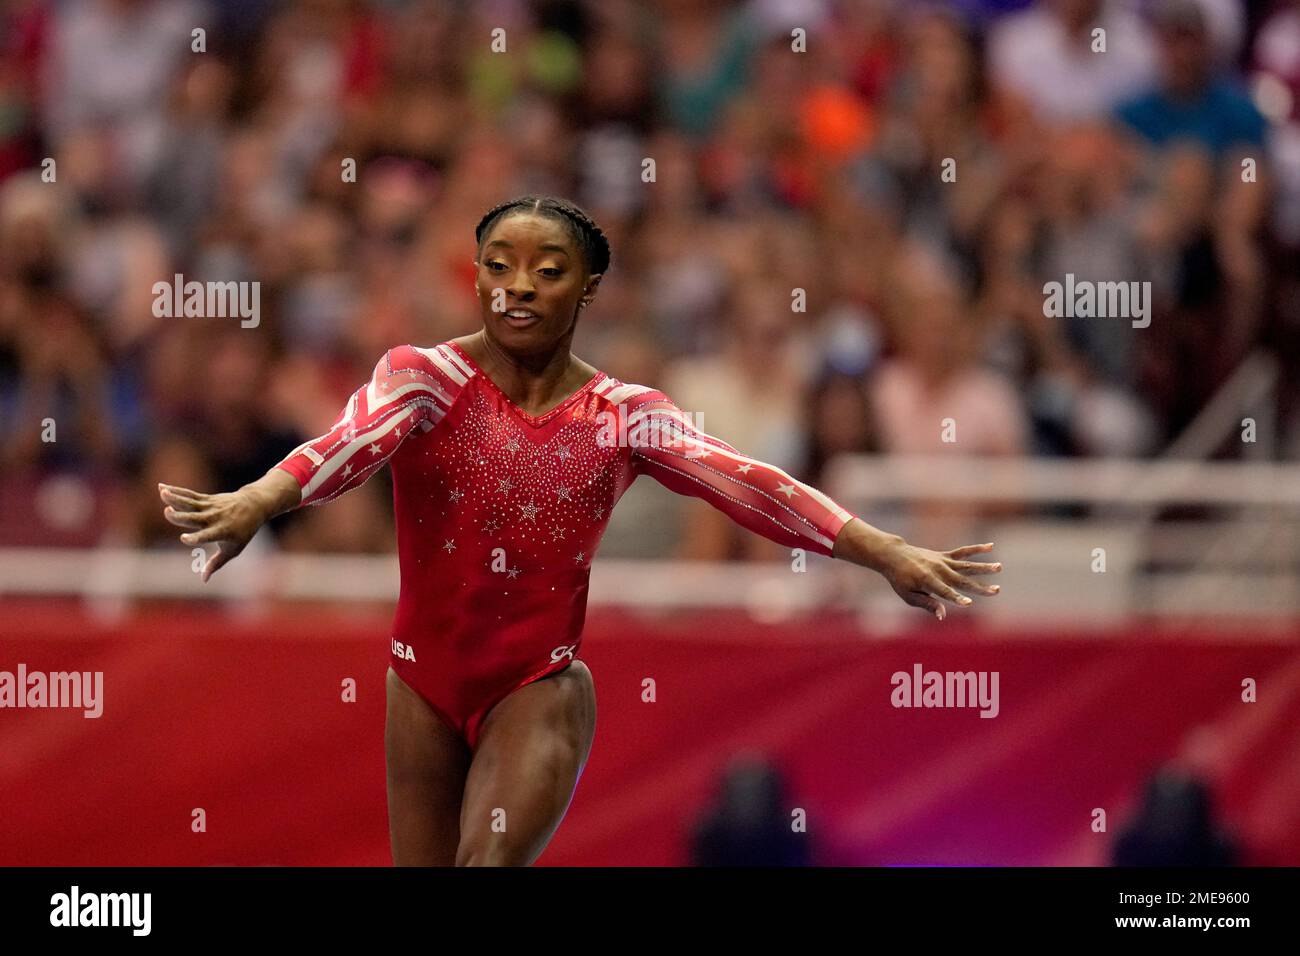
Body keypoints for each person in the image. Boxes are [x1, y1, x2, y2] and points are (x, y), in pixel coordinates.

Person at [157, 195, 1002, 866]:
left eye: (547, 270)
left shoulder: (623, 416)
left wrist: (883, 549)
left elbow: (750, 485)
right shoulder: (426, 379)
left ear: (587, 288)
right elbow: (351, 441)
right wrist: (259, 500)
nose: (517, 286)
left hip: (537, 686)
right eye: (498, 267)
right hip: (417, 685)